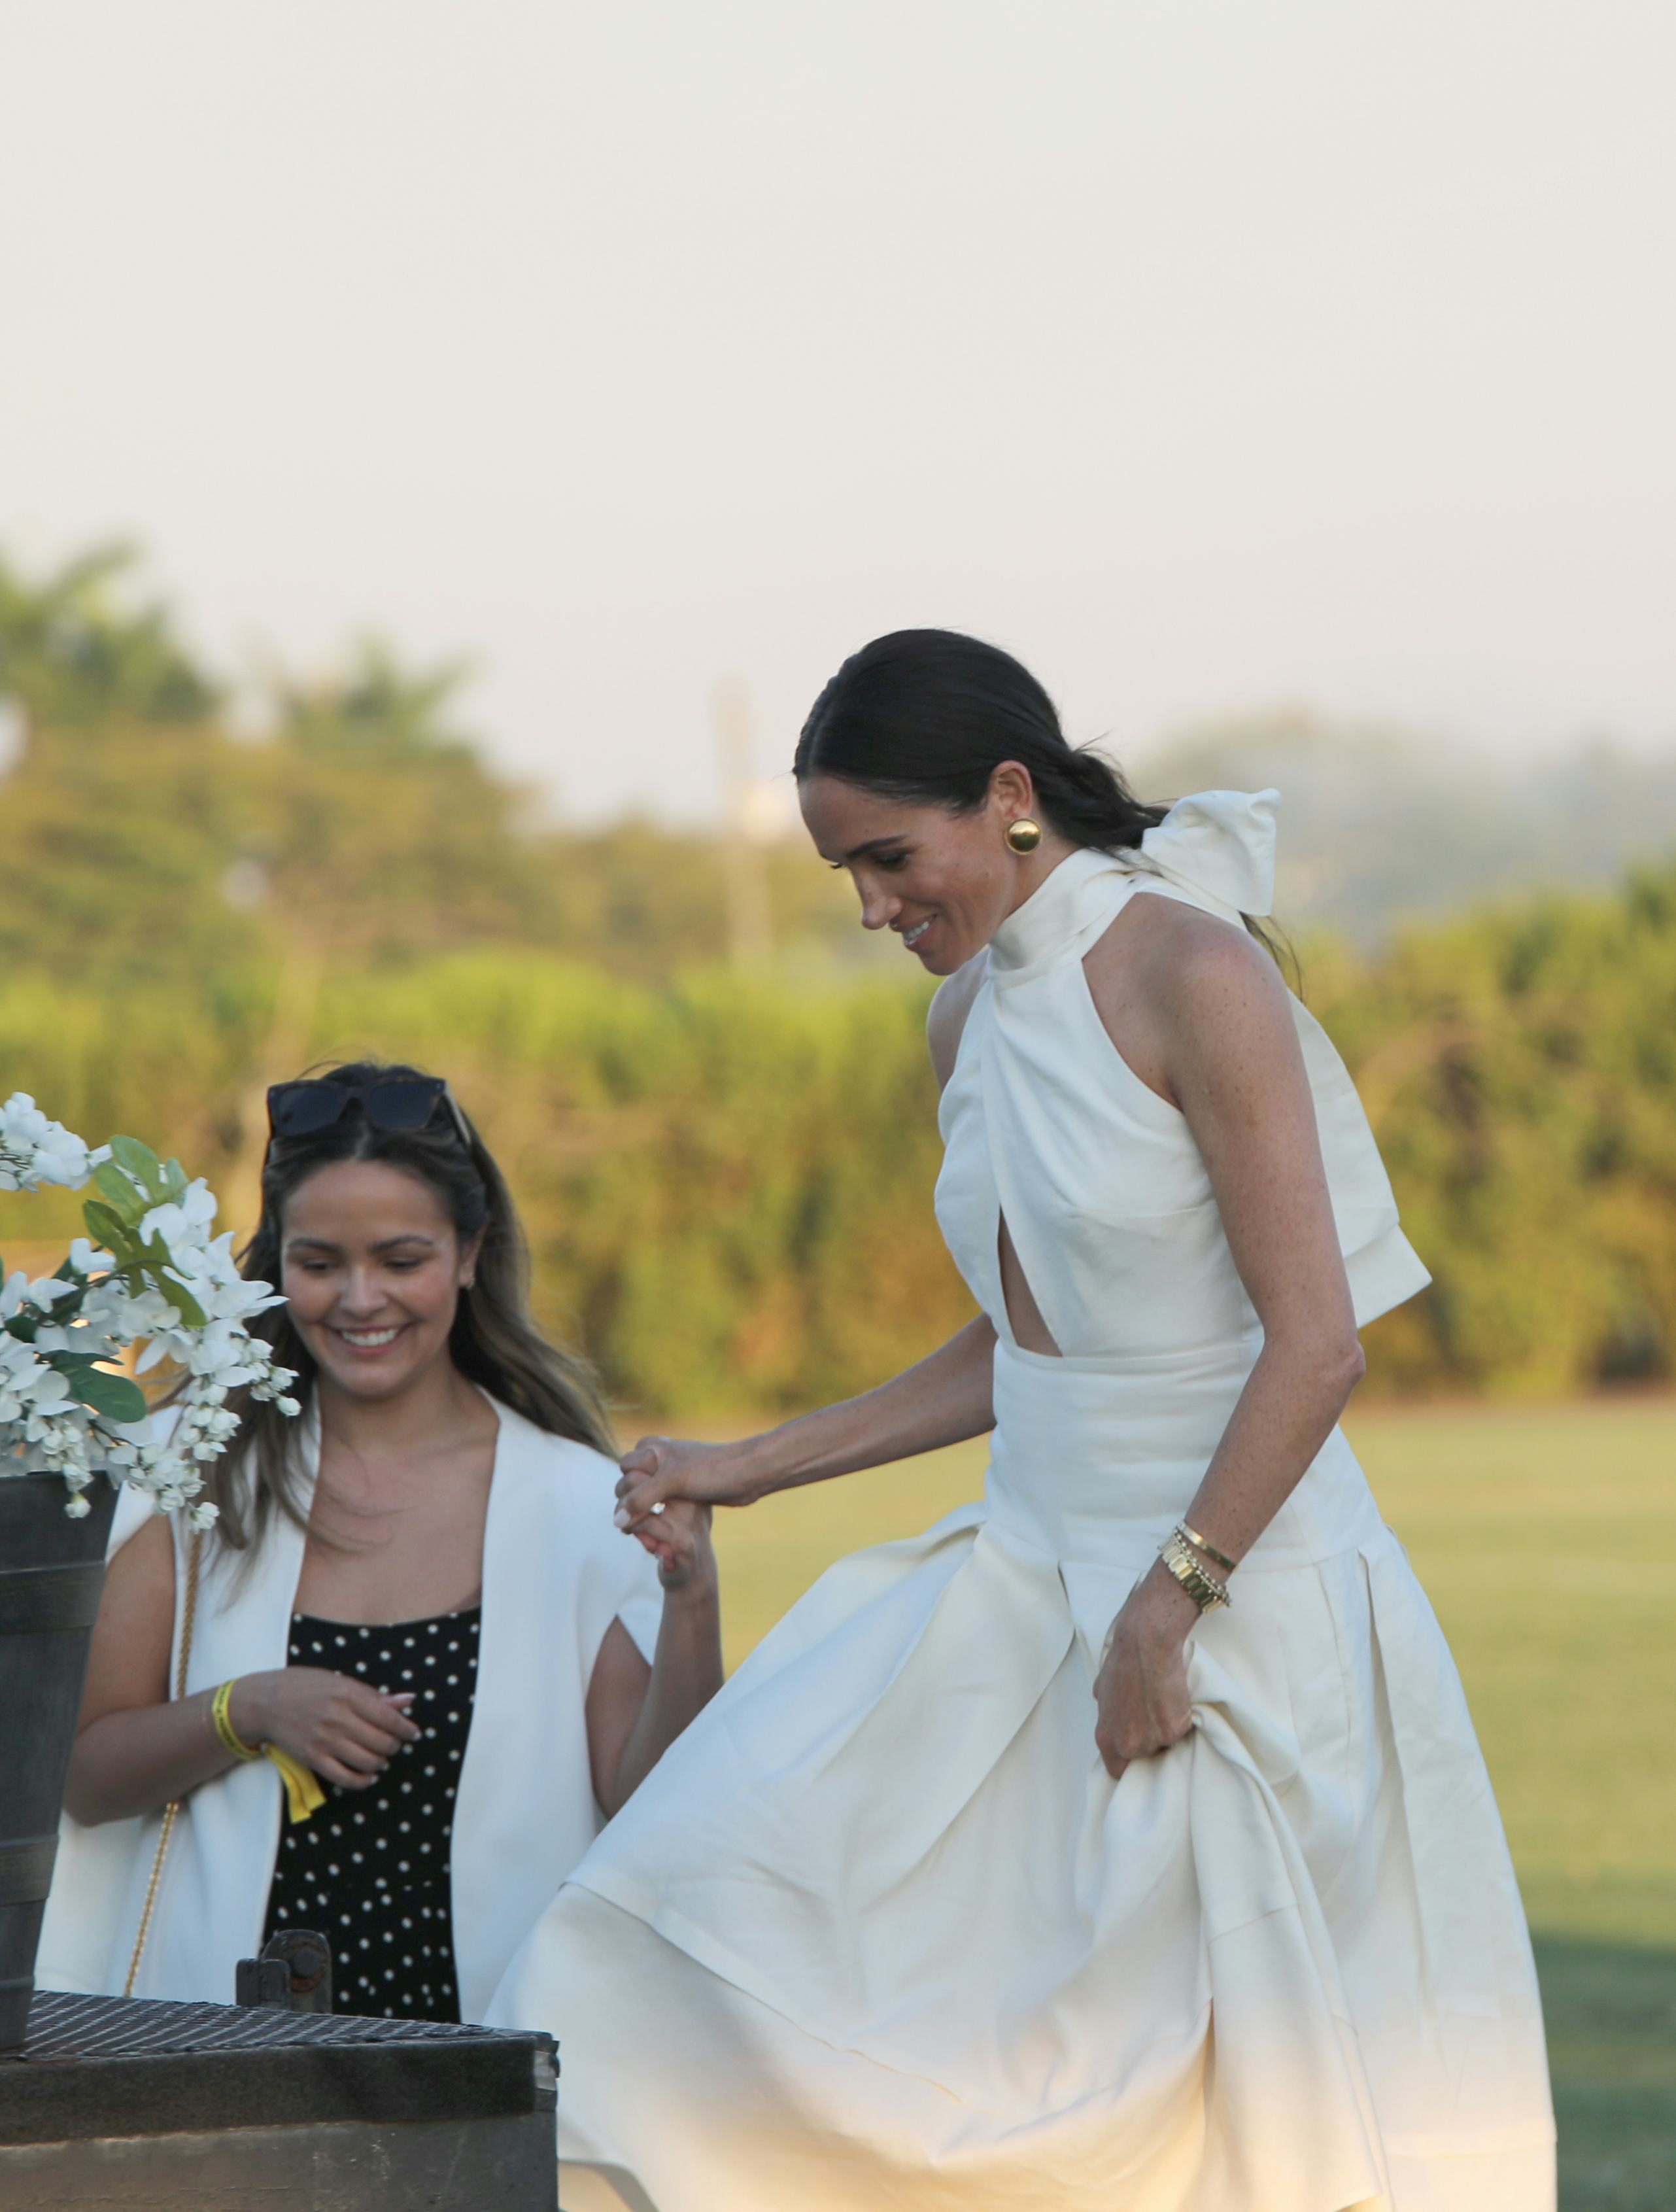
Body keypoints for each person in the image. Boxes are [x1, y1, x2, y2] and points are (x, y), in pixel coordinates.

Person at [490, 632, 1556, 2211]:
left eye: (886, 857)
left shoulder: (1196, 973)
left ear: (1007, 797)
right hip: (1020, 1586)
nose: (870, 905)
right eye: (844, 871)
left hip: (1234, 1610)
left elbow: (1314, 1344)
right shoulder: (963, 1021)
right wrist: (750, 1463)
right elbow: (1030, 1343)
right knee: (656, 1929)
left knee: (1214, 2125)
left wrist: (1166, 1604)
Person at [40, 1062, 721, 2022]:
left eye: (402, 1260)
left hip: (484, 2069)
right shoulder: (191, 1476)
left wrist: (693, 1599)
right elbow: (83, 1777)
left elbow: (653, 1802)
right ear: (279, 1261)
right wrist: (247, 1710)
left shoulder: (575, 1500)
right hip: (223, 2066)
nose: (361, 1300)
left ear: (471, 1252)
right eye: (320, 1264)